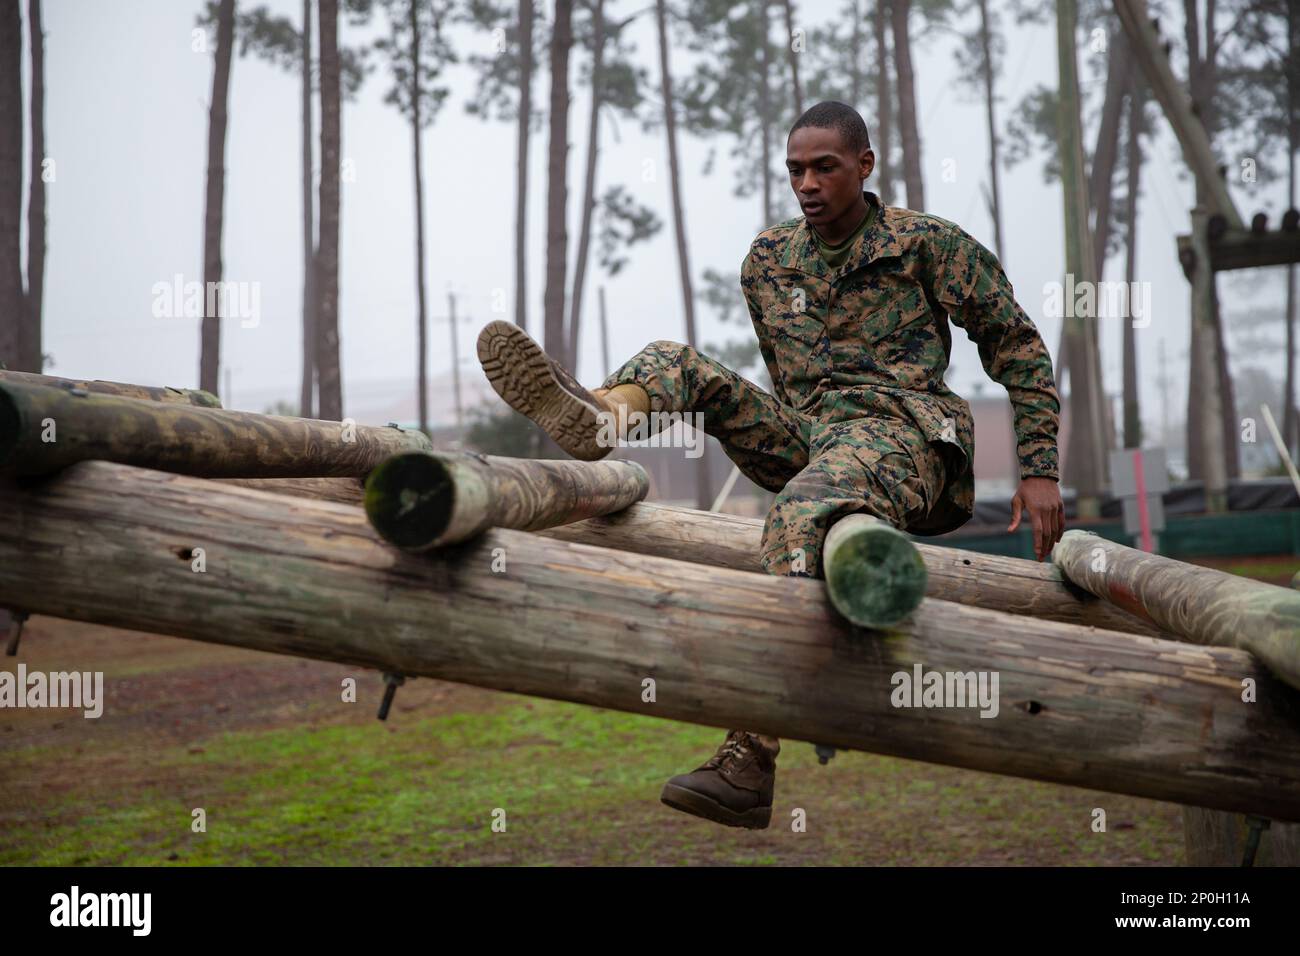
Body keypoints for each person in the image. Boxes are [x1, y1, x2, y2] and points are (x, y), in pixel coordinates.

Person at [476, 100, 1064, 830]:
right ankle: (603, 416)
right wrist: (798, 441)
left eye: (825, 167)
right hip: (813, 437)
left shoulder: (928, 245)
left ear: (864, 166)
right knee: (681, 362)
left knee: (803, 505)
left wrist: (1040, 469)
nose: (808, 183)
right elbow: (785, 381)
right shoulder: (769, 260)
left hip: (906, 438)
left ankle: (750, 756)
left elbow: (1019, 347)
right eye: (795, 170)